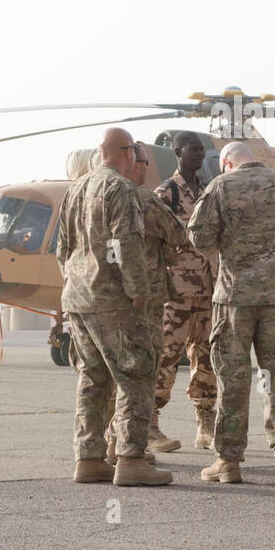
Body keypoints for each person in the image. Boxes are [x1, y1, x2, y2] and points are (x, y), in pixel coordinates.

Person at [188, 141, 275, 484]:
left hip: (234, 301)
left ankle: (228, 463)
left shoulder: (220, 186)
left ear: (226, 162)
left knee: (234, 381)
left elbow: (199, 238)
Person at [55, 127, 171, 487]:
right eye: (135, 152)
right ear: (125, 152)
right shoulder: (120, 188)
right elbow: (127, 242)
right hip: (112, 299)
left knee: (92, 378)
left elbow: (62, 249)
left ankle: (88, 459)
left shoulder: (75, 188)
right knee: (136, 374)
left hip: (78, 298)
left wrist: (75, 282)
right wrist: (138, 289)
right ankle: (131, 459)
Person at [103, 143, 187, 466]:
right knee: (139, 372)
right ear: (135, 163)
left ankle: (105, 446)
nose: (146, 168)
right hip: (142, 298)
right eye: (144, 162)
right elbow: (178, 233)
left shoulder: (89, 192)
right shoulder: (142, 198)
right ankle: (126, 447)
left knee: (107, 374)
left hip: (102, 298)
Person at [151, 132, 217, 451]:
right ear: (177, 152)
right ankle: (148, 422)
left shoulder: (208, 191)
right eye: (192, 151)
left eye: (201, 151)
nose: (199, 156)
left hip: (207, 288)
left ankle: (206, 424)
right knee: (166, 355)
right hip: (175, 290)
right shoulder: (165, 193)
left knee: (205, 355)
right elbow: (152, 239)